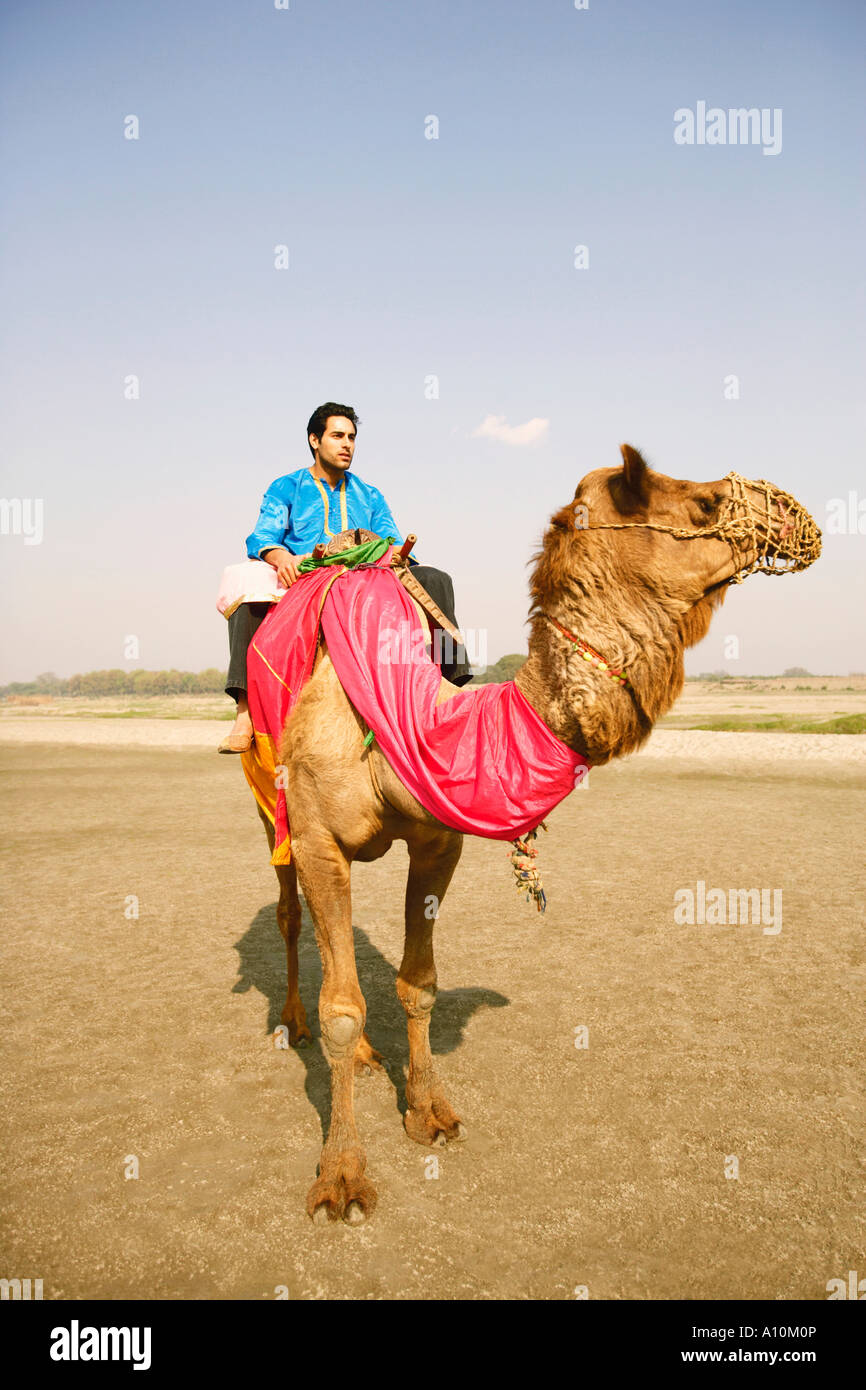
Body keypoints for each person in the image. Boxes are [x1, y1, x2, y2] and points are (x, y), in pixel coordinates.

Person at [218, 401, 470, 752]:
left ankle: (451, 689)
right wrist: (281, 557)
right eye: (337, 436)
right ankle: (244, 711)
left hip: (366, 574)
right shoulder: (286, 487)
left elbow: (392, 541)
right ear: (314, 440)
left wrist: (397, 554)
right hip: (306, 574)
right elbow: (261, 537)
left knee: (436, 578)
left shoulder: (370, 494)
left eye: (351, 437)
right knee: (243, 577)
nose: (347, 444)